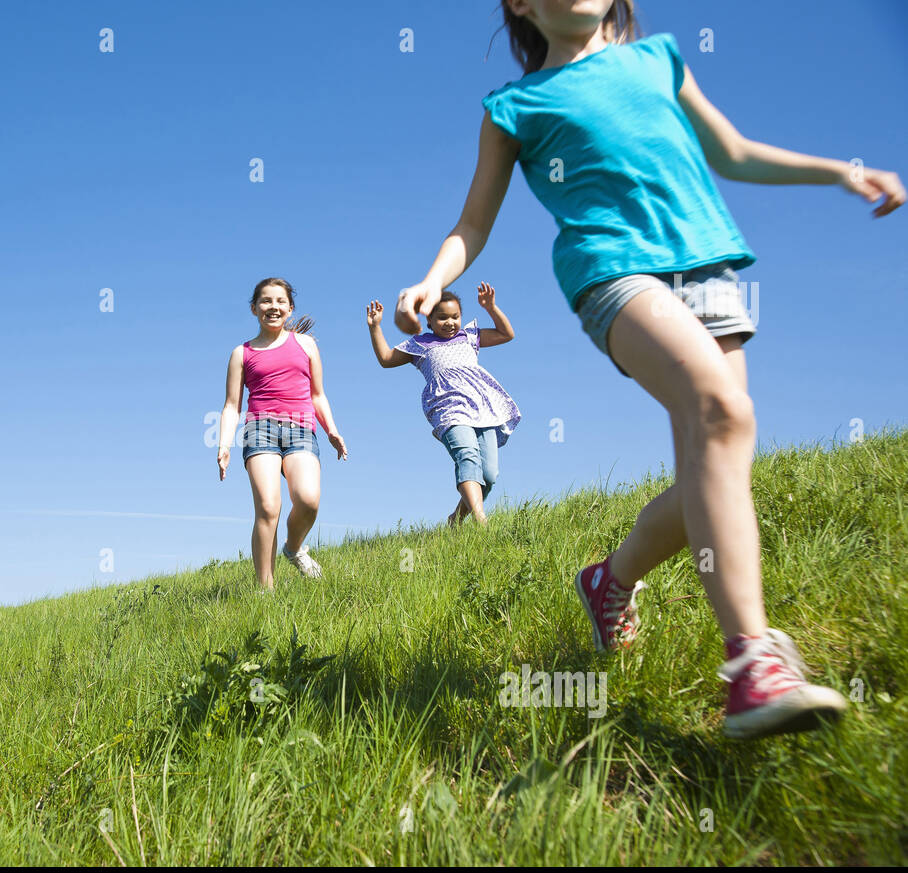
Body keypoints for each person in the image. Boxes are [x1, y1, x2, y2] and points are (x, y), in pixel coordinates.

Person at [394, 0, 903, 739]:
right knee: (724, 416)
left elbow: (733, 151)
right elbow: (473, 222)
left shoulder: (658, 58)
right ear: (521, 5)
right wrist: (433, 279)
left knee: (716, 463)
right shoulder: (514, 106)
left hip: (711, 267)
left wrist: (838, 171)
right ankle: (754, 663)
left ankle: (610, 580)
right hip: (612, 274)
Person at [217, 278, 347, 588]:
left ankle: (294, 548)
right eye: (265, 301)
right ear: (254, 308)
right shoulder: (242, 352)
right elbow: (231, 405)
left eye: (279, 301)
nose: (272, 306)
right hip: (259, 431)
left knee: (308, 500)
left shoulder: (306, 345)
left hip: (301, 429)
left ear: (289, 309)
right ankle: (266, 590)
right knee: (268, 507)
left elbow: (318, 395)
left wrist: (332, 430)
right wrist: (224, 445)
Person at [367, 283, 521, 526]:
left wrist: (491, 307)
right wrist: (375, 327)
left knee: (488, 475)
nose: (449, 322)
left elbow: (506, 334)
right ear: (429, 320)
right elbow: (386, 359)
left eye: (455, 317)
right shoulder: (419, 344)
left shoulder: (469, 336)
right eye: (442, 318)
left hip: (482, 408)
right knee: (467, 457)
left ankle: (456, 520)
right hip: (448, 409)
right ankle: (482, 522)